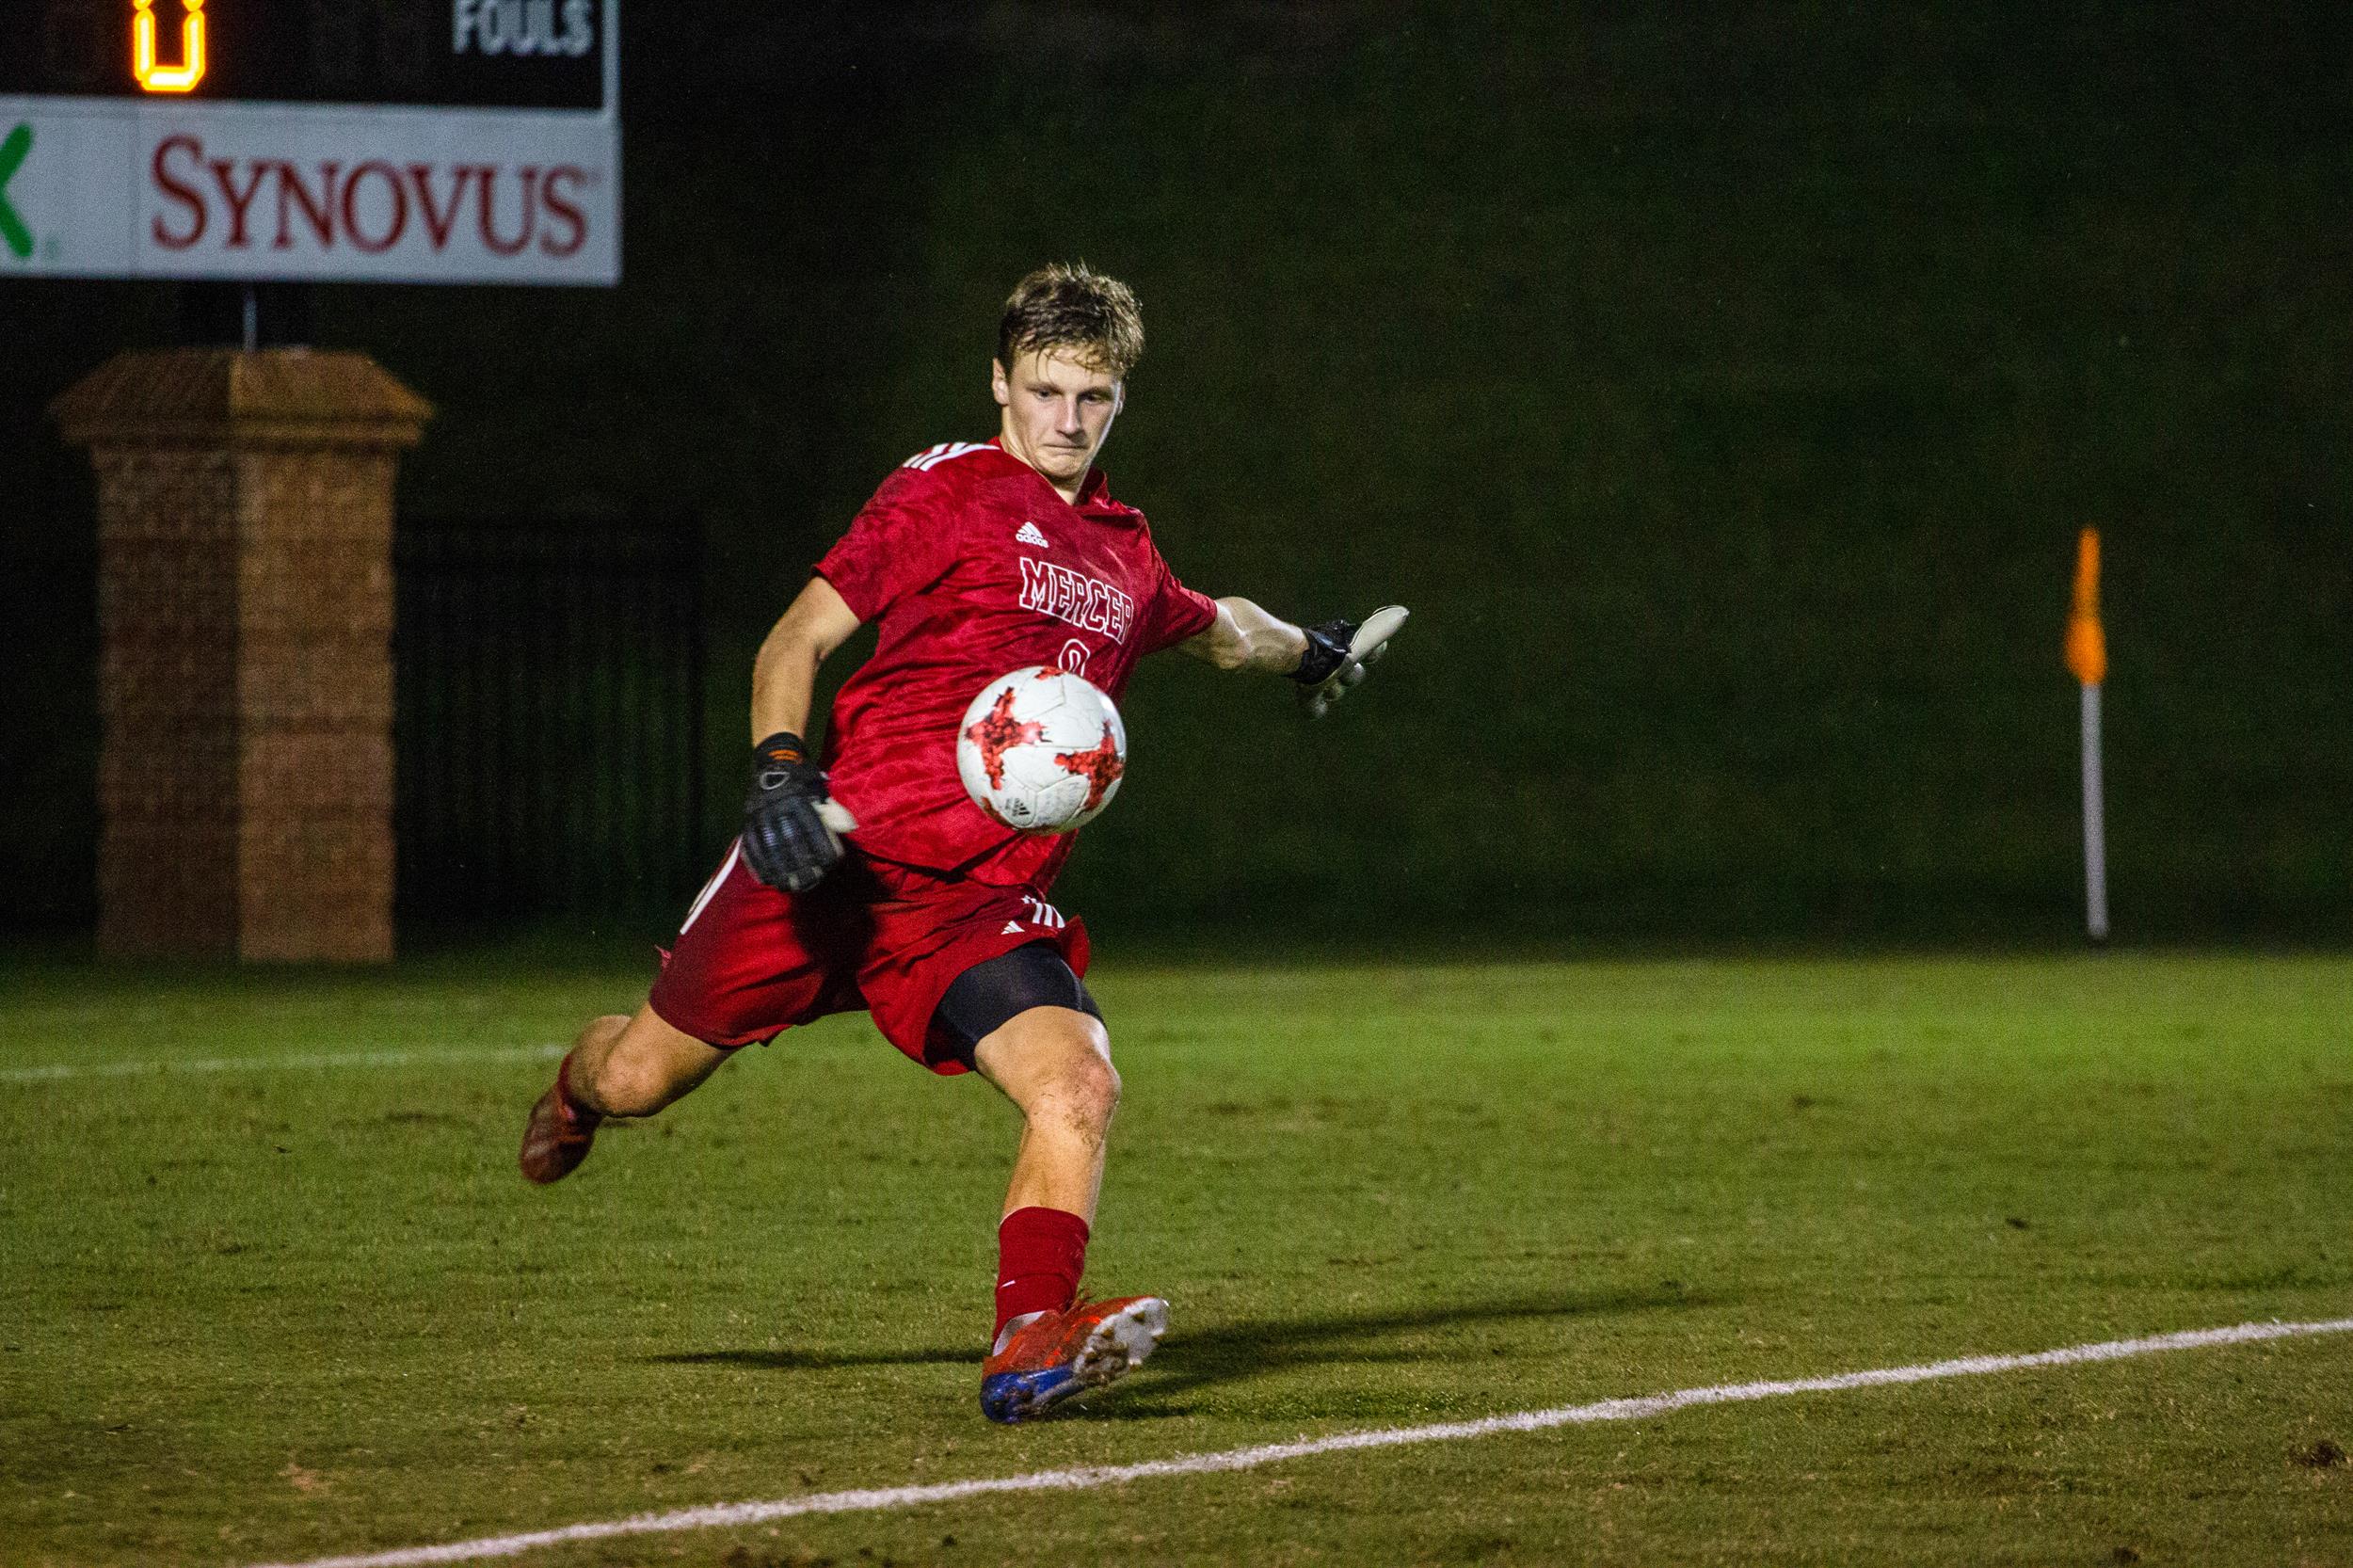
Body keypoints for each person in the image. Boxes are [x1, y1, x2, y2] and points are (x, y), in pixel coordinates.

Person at [518, 264, 1399, 1422]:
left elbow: (1220, 629)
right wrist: (780, 771)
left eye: (1093, 398)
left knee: (1078, 1081)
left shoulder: (1125, 556)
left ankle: (1027, 1339)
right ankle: (577, 1093)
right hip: (835, 861)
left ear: (1120, 400)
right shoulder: (945, 494)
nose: (1067, 422)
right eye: (1044, 391)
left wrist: (1311, 652)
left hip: (975, 906)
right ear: (999, 383)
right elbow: (796, 637)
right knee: (639, 1077)